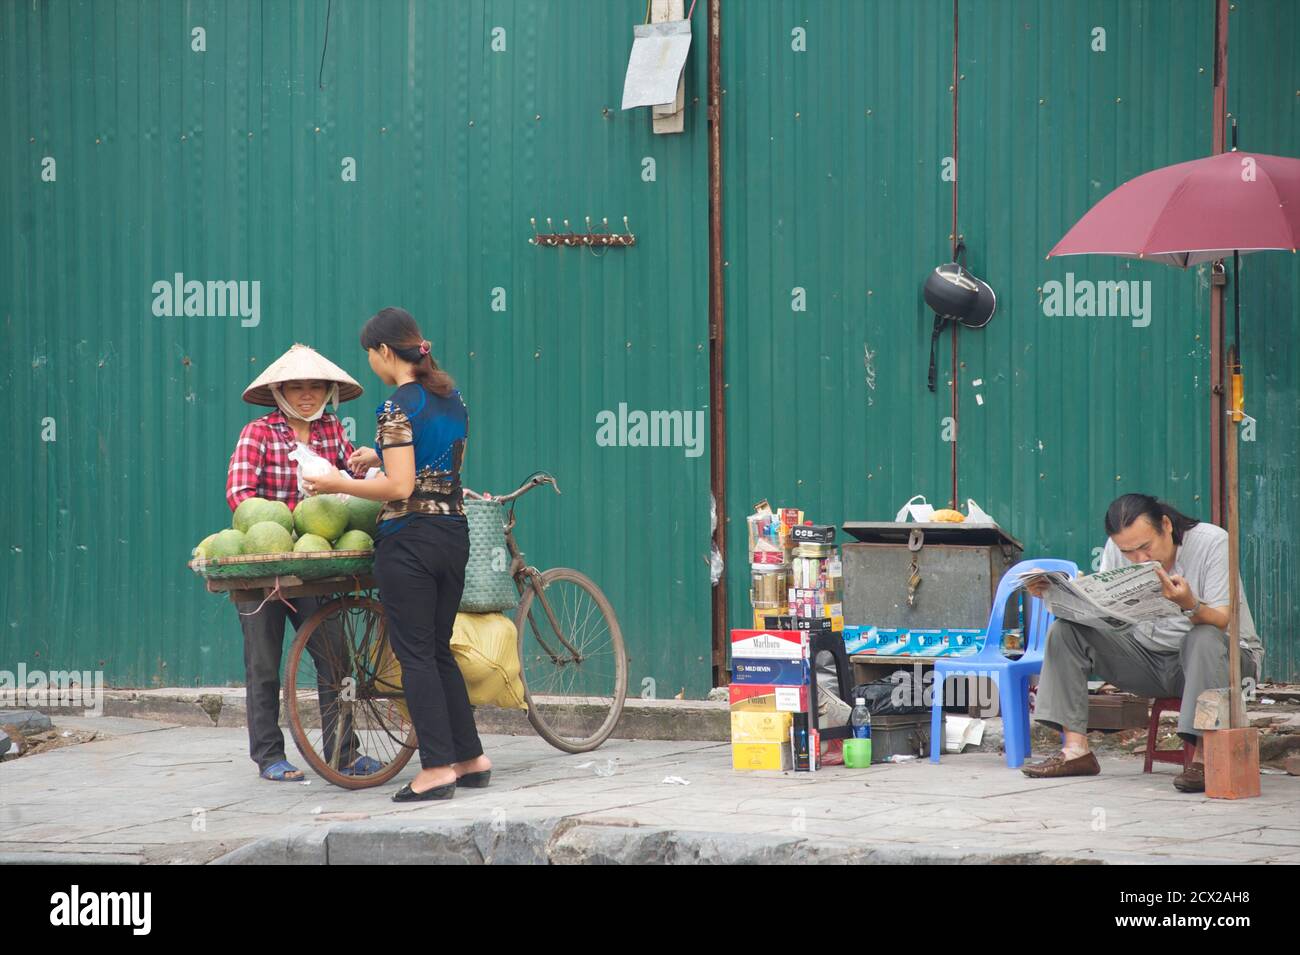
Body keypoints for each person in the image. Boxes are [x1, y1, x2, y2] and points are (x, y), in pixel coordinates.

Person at [302, 307, 490, 802]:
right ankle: (471, 758)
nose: (370, 364)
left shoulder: (395, 406)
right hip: (453, 535)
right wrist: (376, 456)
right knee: (437, 649)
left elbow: (403, 485)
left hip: (409, 542)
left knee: (415, 657)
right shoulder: (452, 398)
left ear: (385, 352)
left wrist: (336, 480)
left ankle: (435, 771)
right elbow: (430, 466)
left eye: (369, 355)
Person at [1021, 493, 1264, 792]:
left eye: (1145, 547)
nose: (1140, 559)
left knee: (1202, 636)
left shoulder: (1212, 542)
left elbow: (1223, 619)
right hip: (1149, 660)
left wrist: (1191, 606)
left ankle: (1205, 757)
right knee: (1065, 631)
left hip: (1224, 661)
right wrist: (1062, 597)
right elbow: (1108, 617)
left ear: (1166, 525)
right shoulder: (1116, 548)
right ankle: (1076, 751)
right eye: (1129, 552)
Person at [226, 344, 381, 782]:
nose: (307, 396)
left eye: (315, 387)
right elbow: (240, 495)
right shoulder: (258, 432)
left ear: (329, 392)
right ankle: (269, 756)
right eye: (297, 388)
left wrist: (364, 467)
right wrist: (282, 520)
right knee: (262, 663)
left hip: (316, 562)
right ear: (279, 392)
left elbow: (349, 483)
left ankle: (344, 753)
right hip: (266, 563)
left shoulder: (333, 430)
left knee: (336, 660)